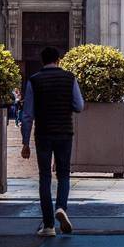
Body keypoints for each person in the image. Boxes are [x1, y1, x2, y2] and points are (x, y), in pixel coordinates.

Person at [20, 46, 84, 237]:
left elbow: (27, 115)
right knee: (64, 174)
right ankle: (61, 207)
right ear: (58, 60)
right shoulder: (69, 78)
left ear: (42, 61)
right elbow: (79, 106)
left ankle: (48, 225)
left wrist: (25, 143)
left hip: (44, 134)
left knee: (45, 177)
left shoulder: (34, 80)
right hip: (65, 133)